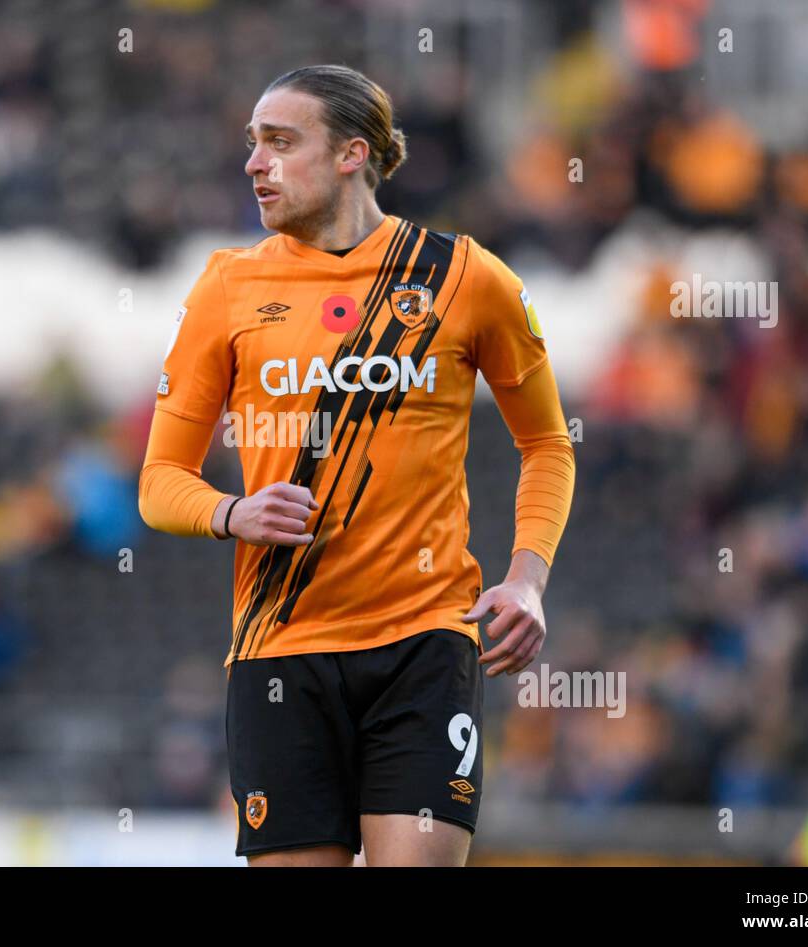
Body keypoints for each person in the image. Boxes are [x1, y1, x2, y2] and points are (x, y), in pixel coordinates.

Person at [138, 64, 575, 866]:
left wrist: (527, 579)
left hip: (426, 644)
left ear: (351, 153)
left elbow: (547, 443)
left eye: (279, 142)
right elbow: (160, 483)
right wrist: (231, 512)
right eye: (251, 144)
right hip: (280, 651)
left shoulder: (465, 277)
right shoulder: (228, 287)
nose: (254, 164)